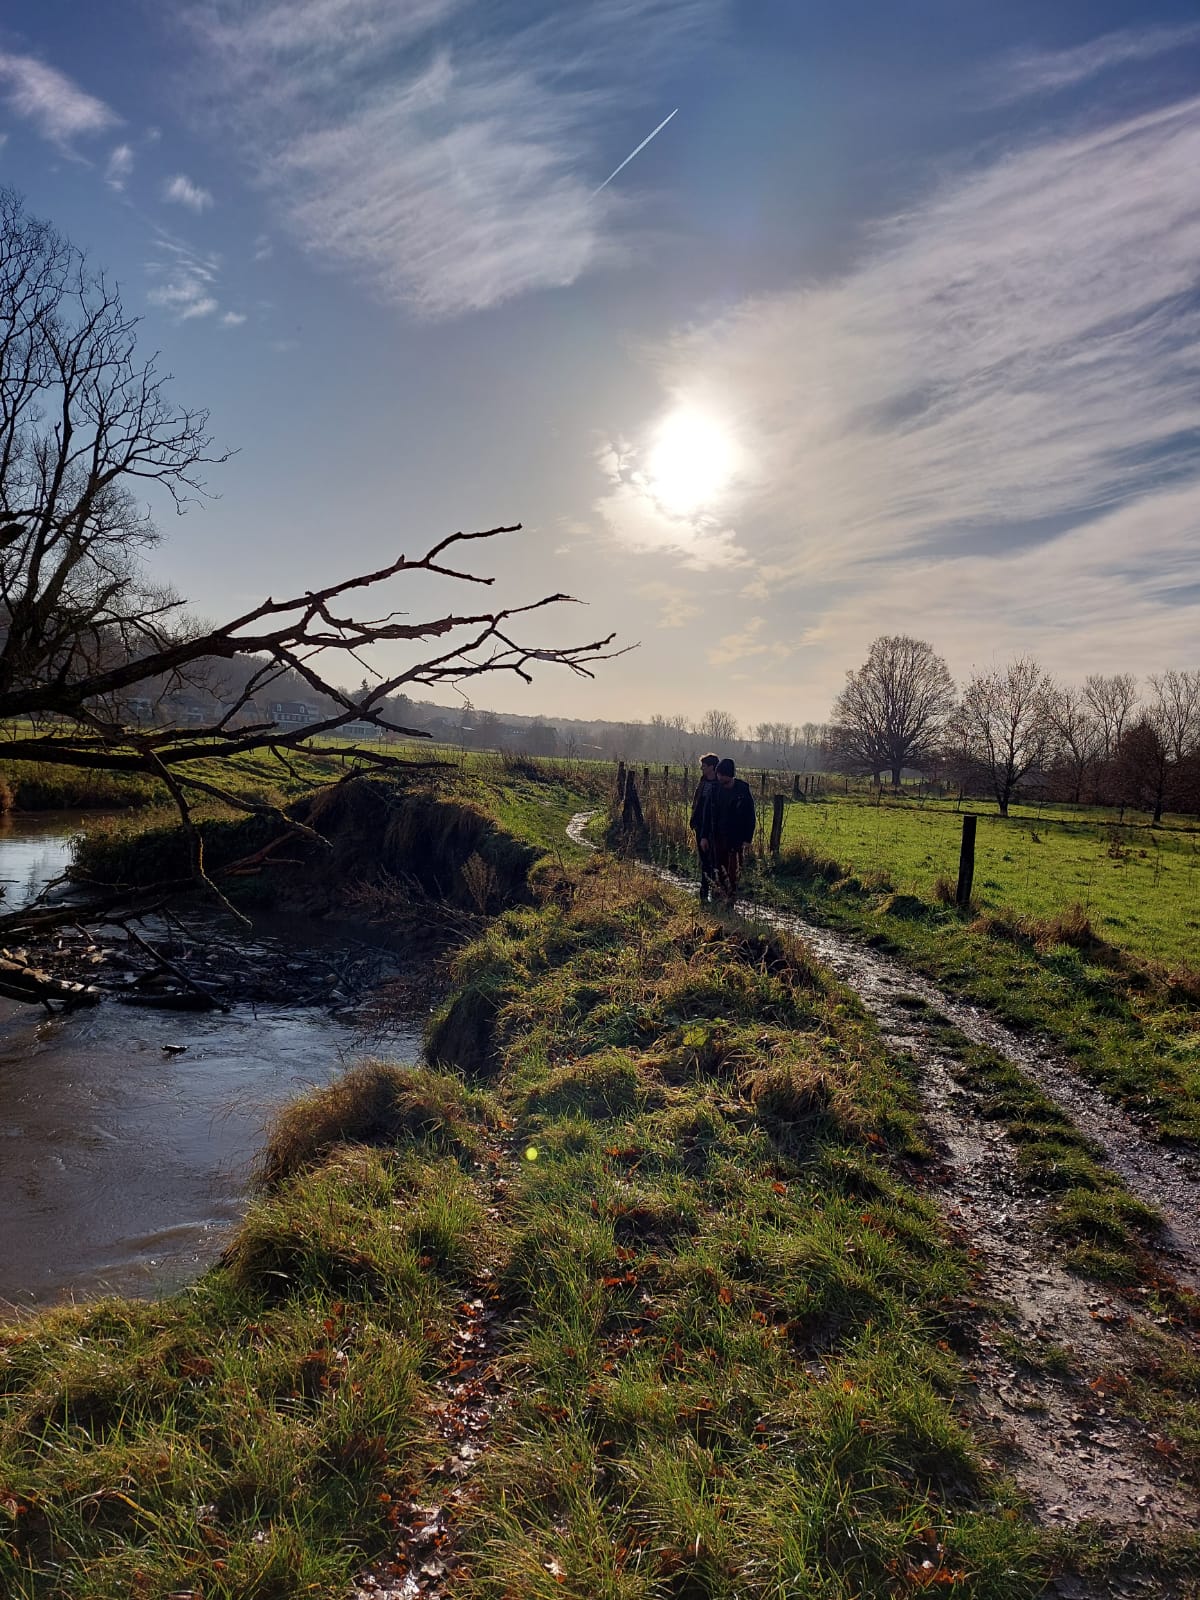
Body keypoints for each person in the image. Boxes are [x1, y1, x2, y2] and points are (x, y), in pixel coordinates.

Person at [711, 757, 756, 900]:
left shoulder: (743, 790)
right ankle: (719, 894)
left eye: (720, 775)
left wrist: (747, 839)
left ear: (727, 775)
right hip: (719, 835)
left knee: (732, 869)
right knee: (719, 866)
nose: (718, 777)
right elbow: (710, 812)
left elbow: (750, 815)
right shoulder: (716, 789)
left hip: (735, 837)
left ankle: (731, 896)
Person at [689, 753, 720, 901]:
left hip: (715, 828)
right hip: (700, 826)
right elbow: (697, 802)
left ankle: (715, 891)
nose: (702, 768)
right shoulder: (702, 782)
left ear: (712, 767)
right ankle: (704, 890)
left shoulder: (720, 785)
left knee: (714, 860)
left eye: (704, 766)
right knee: (704, 860)